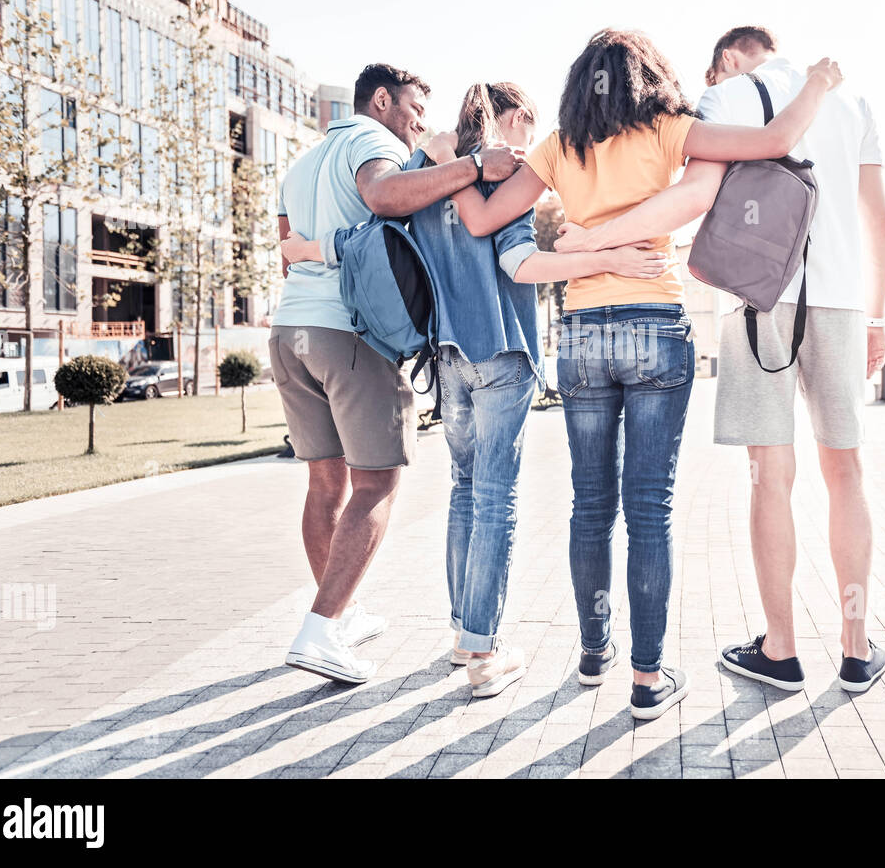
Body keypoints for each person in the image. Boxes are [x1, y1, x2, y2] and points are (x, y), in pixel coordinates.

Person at [428, 28, 844, 719]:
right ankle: (647, 680)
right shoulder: (671, 128)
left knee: (590, 505)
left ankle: (595, 653)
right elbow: (776, 140)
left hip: (586, 335)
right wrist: (819, 83)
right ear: (651, 76)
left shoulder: (561, 144)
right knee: (648, 508)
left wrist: (457, 163)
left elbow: (482, 221)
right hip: (655, 325)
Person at [281, 81, 666, 698]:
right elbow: (518, 265)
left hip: (448, 357)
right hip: (502, 351)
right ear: (509, 118)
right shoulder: (498, 175)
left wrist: (308, 247)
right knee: (496, 498)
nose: (533, 137)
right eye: (529, 121)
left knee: (465, 491)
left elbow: (377, 234)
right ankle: (484, 650)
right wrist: (607, 260)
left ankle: (464, 633)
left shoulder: (424, 171)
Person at [558, 26, 885, 694]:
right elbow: (878, 219)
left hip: (757, 300)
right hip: (841, 303)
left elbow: (694, 197)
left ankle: (782, 649)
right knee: (845, 468)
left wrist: (594, 239)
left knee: (772, 472)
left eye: (713, 72)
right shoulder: (852, 104)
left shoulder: (726, 97)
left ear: (730, 57)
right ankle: (856, 649)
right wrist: (876, 316)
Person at [272, 62, 522, 685]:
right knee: (376, 484)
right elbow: (384, 197)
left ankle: (343, 614)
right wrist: (472, 168)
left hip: (291, 332)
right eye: (413, 106)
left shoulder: (302, 164)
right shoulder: (372, 140)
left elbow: (286, 249)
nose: (419, 120)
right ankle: (322, 629)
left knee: (325, 485)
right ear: (380, 99)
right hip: (349, 335)